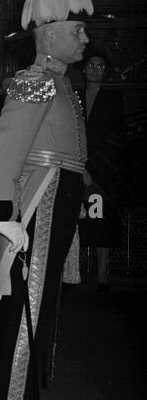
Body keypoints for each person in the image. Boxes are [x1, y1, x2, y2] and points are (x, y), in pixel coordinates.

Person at [0, 0, 93, 400]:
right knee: (26, 312)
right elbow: (3, 153)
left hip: (59, 196)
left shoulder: (62, 82)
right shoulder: (35, 80)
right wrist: (5, 219)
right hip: (37, 207)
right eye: (77, 30)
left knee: (40, 309)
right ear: (49, 35)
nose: (85, 39)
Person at [78, 46, 128, 292]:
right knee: (76, 221)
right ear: (84, 69)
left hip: (103, 172)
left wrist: (94, 168)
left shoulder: (113, 98)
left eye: (100, 66)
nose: (95, 69)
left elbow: (116, 136)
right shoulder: (74, 95)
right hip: (75, 167)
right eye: (91, 65)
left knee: (102, 223)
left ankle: (102, 276)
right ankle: (71, 274)